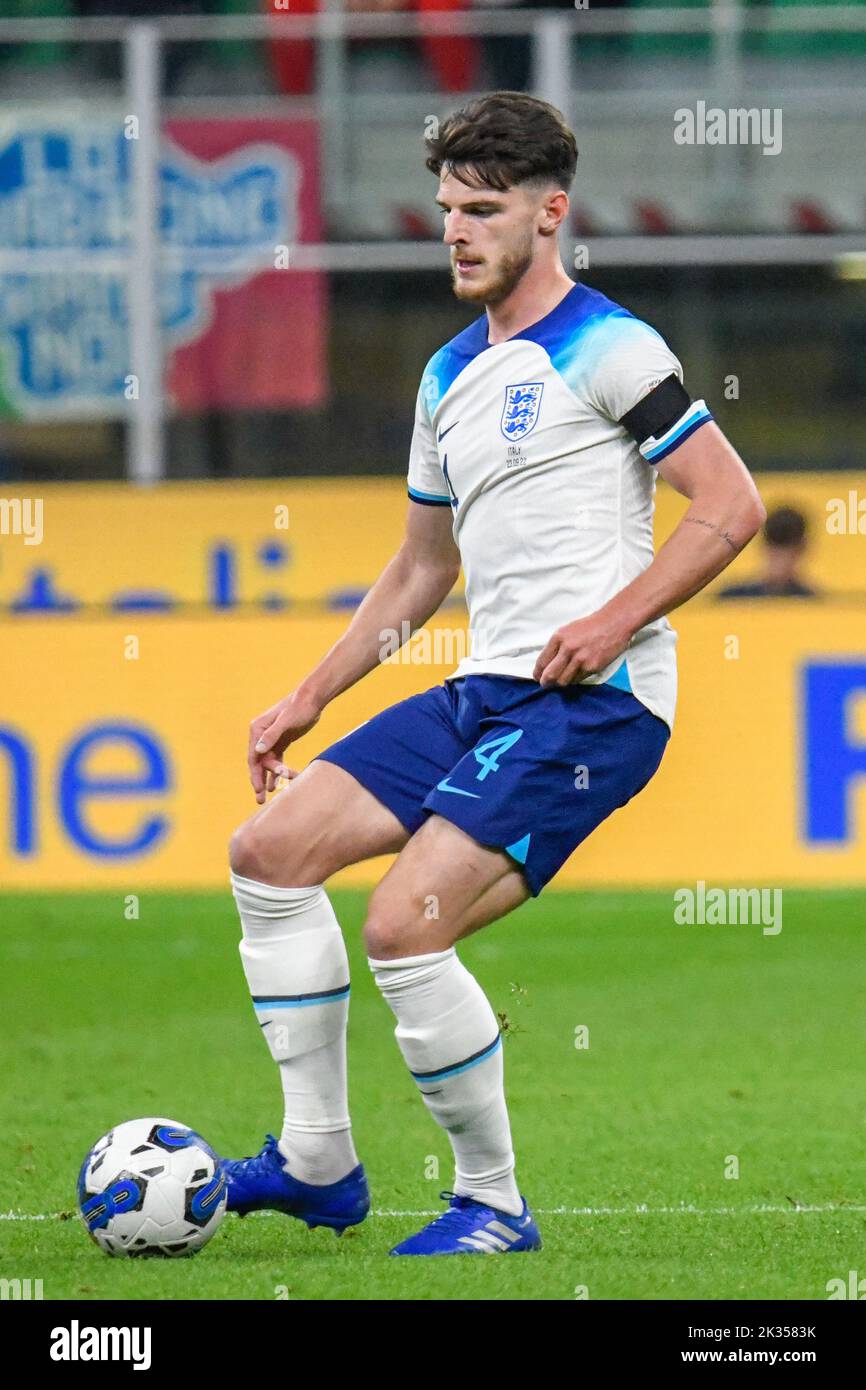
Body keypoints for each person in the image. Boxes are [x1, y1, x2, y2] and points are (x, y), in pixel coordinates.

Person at [221, 91, 766, 1257]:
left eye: (481, 209)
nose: (456, 231)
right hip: (484, 690)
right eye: (443, 211)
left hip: (593, 706)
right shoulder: (446, 375)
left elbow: (730, 508)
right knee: (266, 854)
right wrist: (307, 697)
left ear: (548, 212)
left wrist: (615, 621)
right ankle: (318, 1159)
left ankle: (491, 1204)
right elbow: (420, 570)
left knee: (404, 923)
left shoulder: (613, 346)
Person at [717, 504, 818, 599]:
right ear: (803, 547)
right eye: (777, 555)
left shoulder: (734, 598)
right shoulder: (813, 603)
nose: (781, 562)